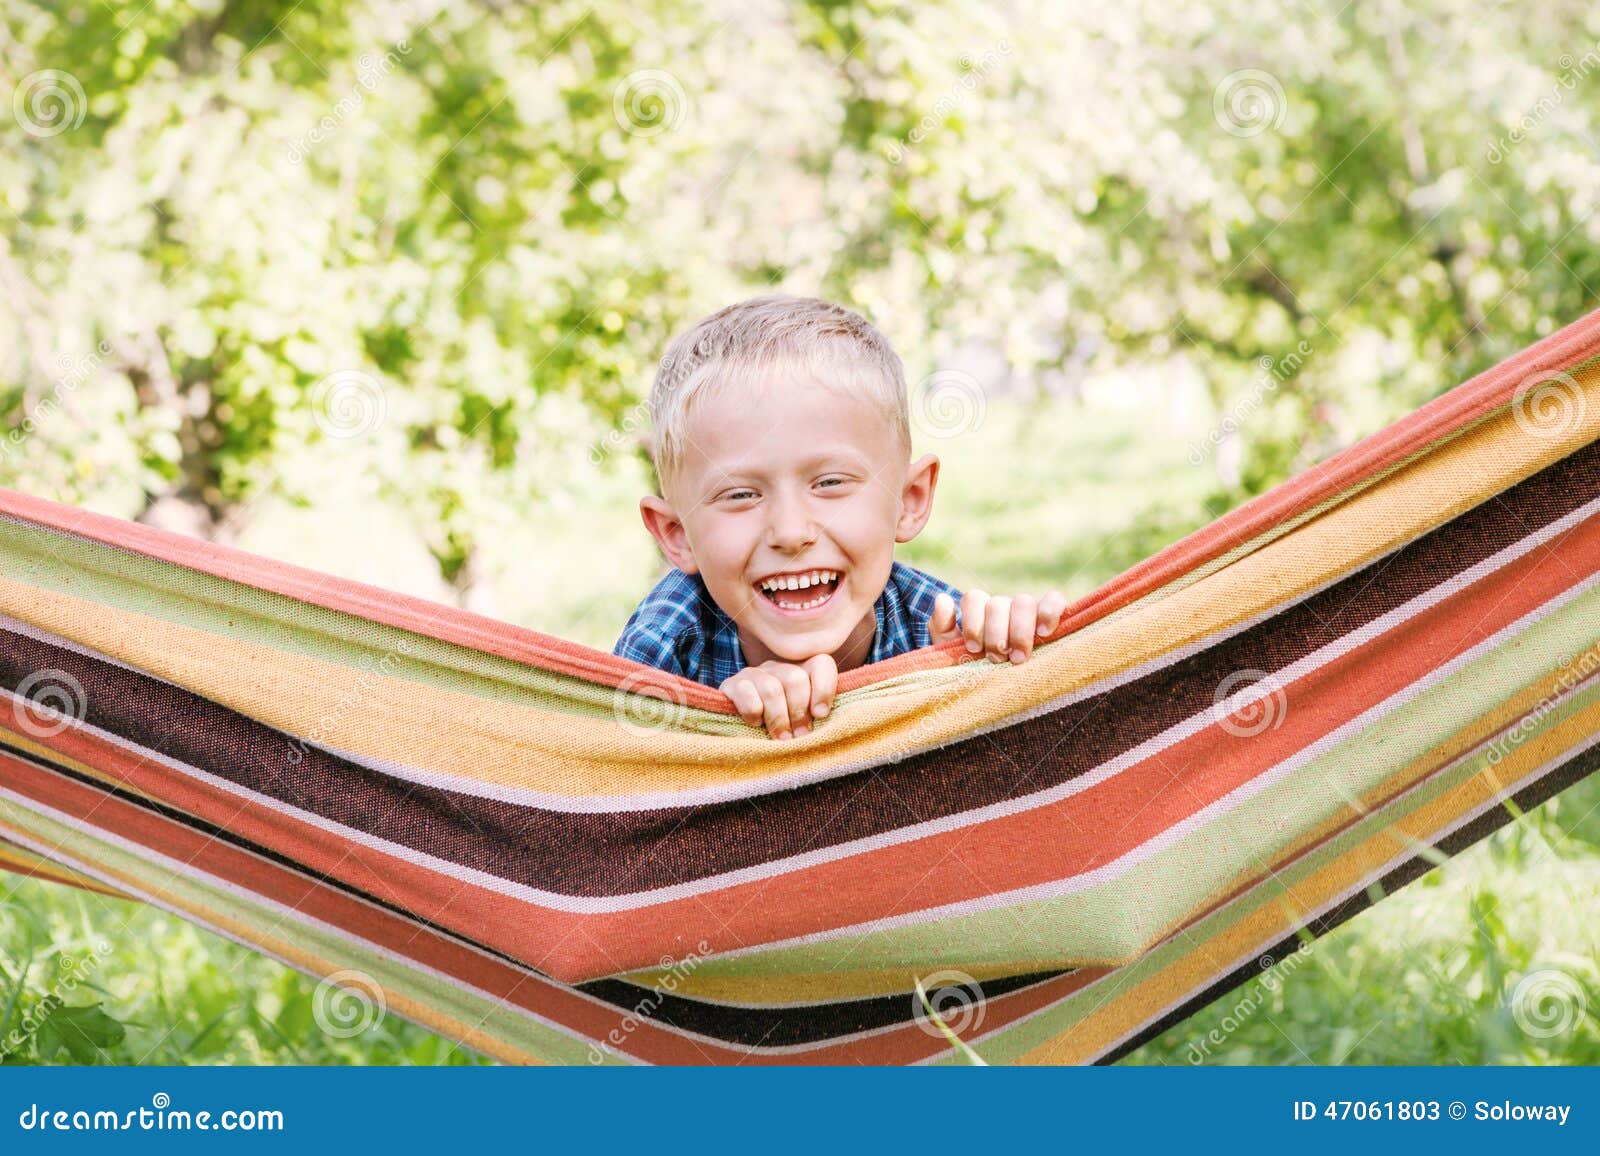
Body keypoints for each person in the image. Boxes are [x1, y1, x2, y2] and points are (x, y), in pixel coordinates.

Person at [614, 295, 1067, 738]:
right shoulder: (665, 650)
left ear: (908, 500)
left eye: (830, 483)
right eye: (740, 494)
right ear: (677, 536)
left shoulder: (942, 633)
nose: (791, 533)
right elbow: (608, 791)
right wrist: (721, 725)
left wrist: (999, 668)